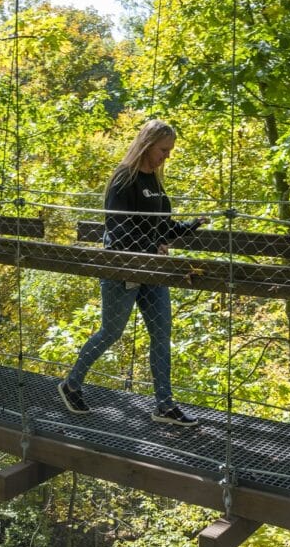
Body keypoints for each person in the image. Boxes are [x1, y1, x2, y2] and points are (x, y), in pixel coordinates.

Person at [57, 119, 207, 427]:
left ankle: (164, 406)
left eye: (170, 151)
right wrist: (154, 245)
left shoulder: (155, 181)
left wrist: (191, 226)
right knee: (111, 332)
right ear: (147, 145)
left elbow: (162, 227)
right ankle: (71, 385)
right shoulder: (124, 179)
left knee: (162, 335)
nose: (167, 156)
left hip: (152, 270)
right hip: (121, 267)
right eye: (164, 150)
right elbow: (119, 230)